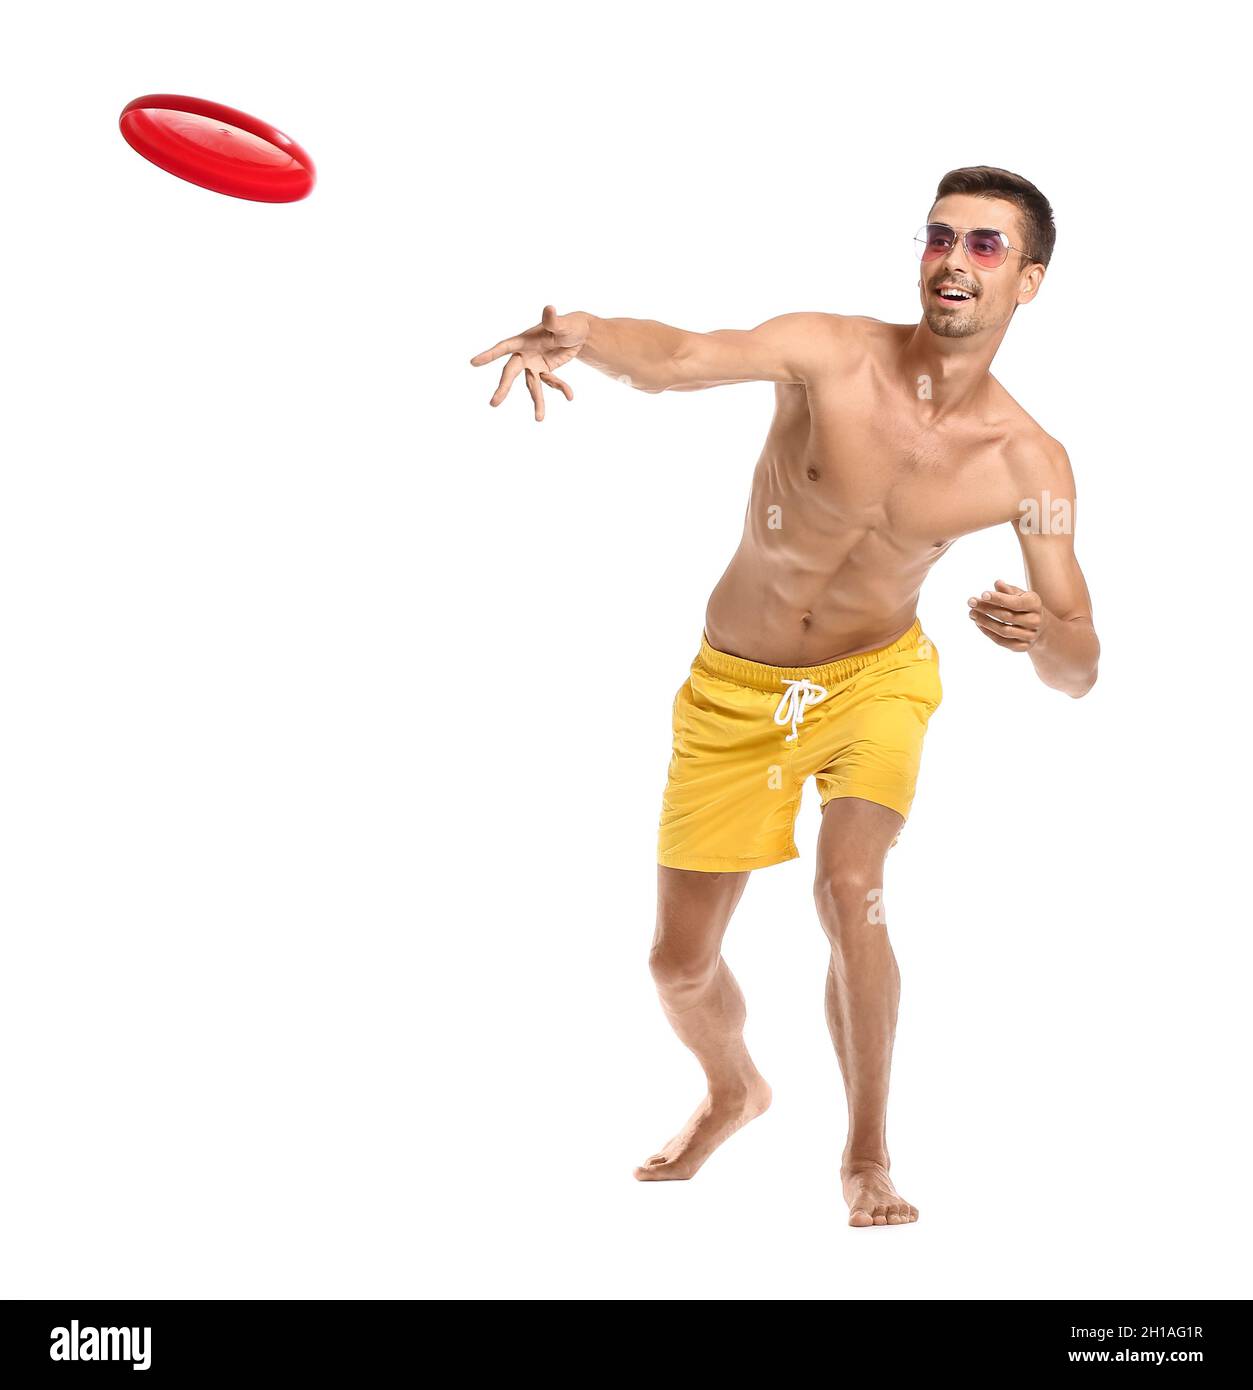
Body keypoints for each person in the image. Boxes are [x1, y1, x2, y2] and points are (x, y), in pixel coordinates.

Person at [470, 166, 1099, 1227]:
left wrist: (1049, 634)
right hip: (735, 686)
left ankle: (865, 1158)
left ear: (1026, 282)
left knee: (849, 884)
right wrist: (581, 329)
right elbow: (678, 359)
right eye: (939, 236)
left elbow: (1078, 670)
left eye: (984, 246)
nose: (952, 260)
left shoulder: (1026, 462)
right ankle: (733, 1088)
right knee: (677, 965)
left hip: (873, 681)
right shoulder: (830, 351)